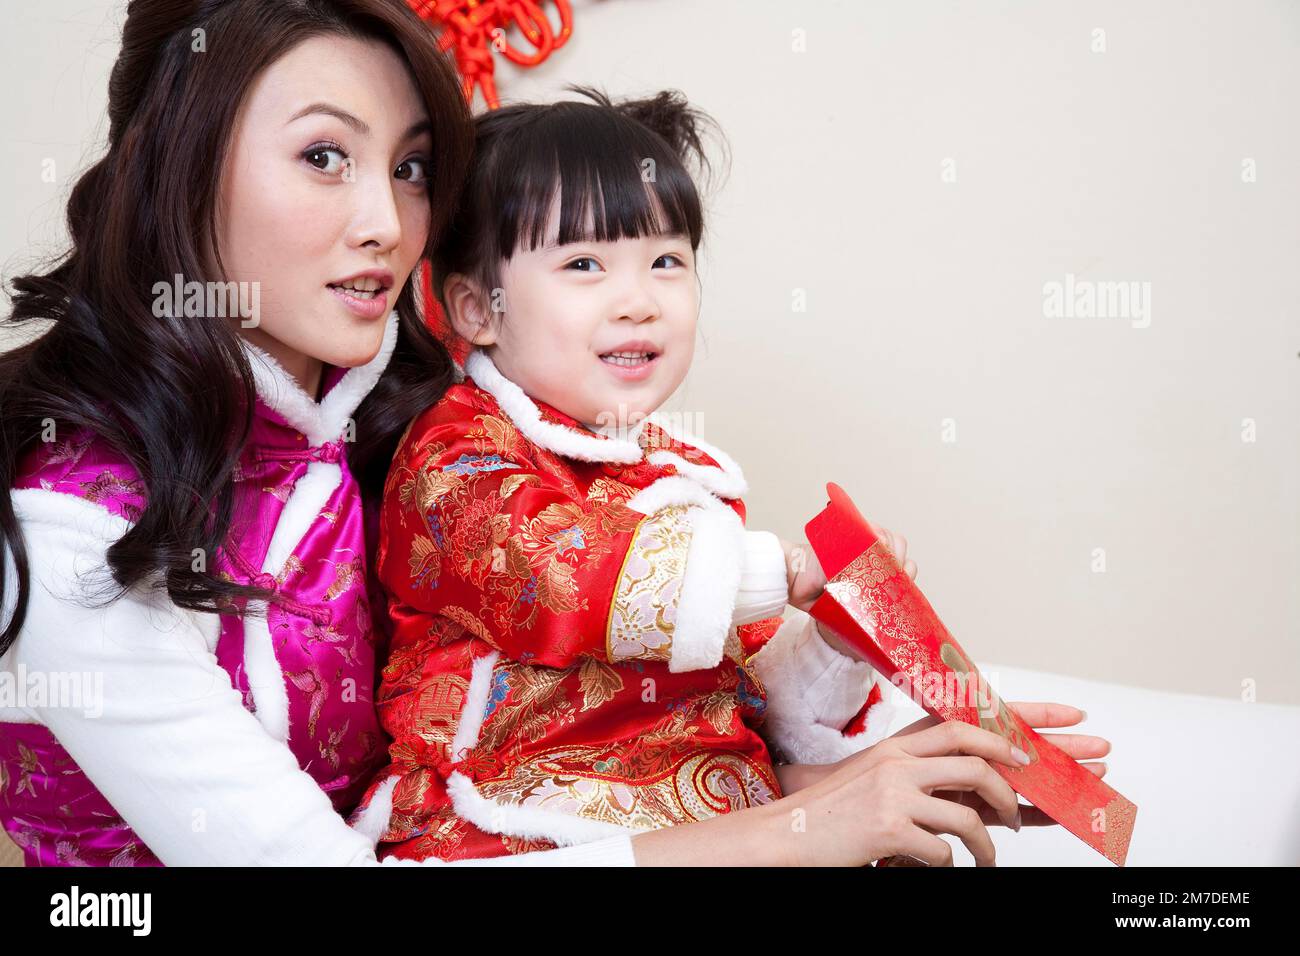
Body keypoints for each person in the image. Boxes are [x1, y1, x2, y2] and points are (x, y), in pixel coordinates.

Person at [0, 0, 1106, 868]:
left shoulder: (384, 416)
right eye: (324, 156)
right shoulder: (74, 531)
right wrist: (796, 823)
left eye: (412, 166)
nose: (387, 223)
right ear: (177, 167)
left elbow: (649, 680)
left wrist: (840, 765)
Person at [351, 87, 1111, 863]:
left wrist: (834, 638)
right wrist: (781, 569)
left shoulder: (687, 472)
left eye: (667, 262)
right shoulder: (457, 451)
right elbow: (557, 573)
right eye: (584, 263)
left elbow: (736, 683)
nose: (639, 301)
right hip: (511, 816)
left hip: (699, 808)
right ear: (479, 309)